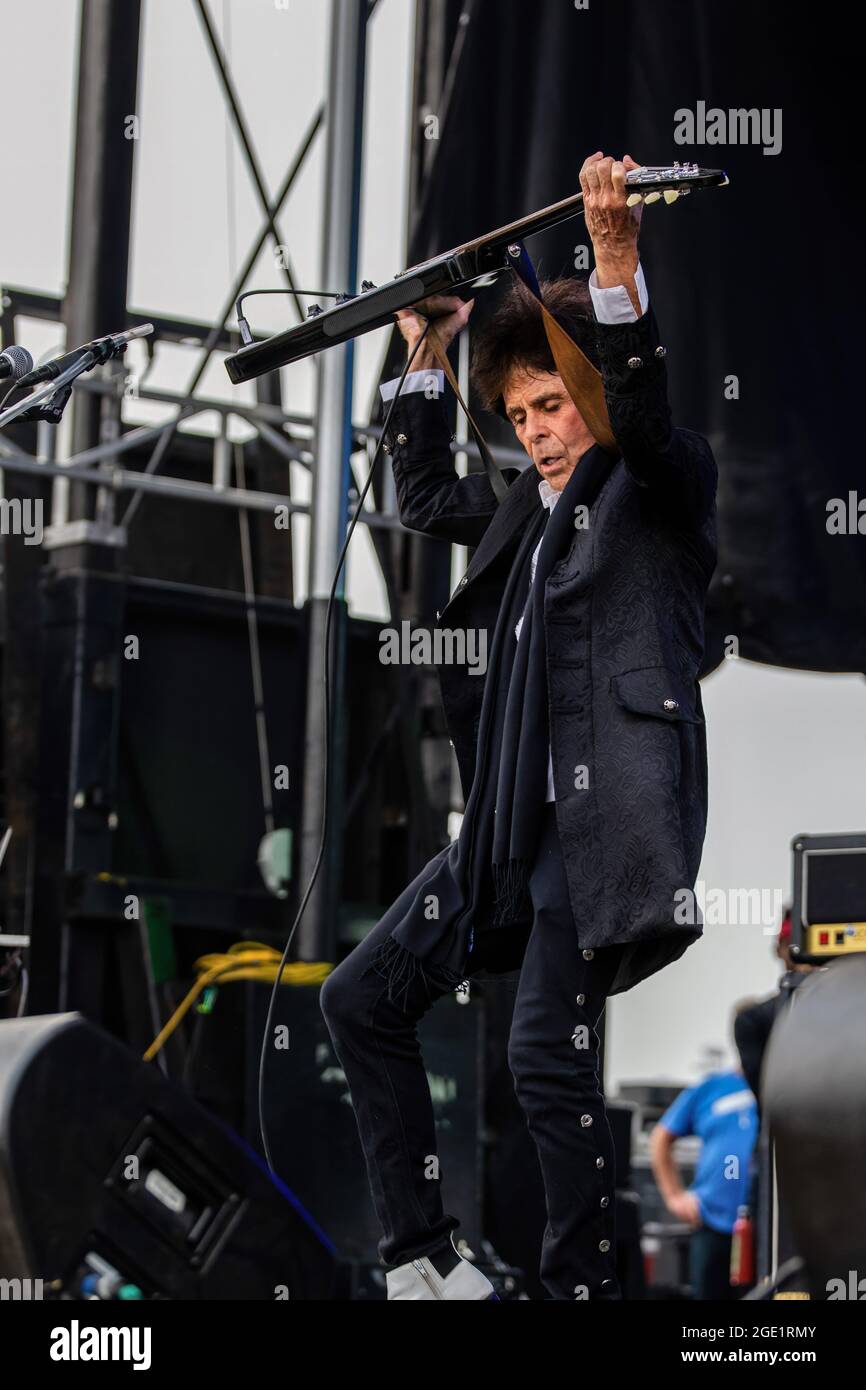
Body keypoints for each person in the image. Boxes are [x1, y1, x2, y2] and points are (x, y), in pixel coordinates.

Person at [320, 152, 718, 1300]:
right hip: (496, 830)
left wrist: (614, 269)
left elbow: (638, 415)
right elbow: (427, 495)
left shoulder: (655, 491)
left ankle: (575, 1289)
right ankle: (419, 1257)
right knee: (359, 1001)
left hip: (589, 833)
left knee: (546, 1059)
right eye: (520, 414)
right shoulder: (522, 515)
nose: (540, 431)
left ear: (583, 392)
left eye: (552, 405)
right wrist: (423, 356)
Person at [650, 1045, 759, 1300]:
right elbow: (660, 1138)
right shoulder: (712, 1087)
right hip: (712, 1222)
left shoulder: (776, 1087)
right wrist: (674, 1196)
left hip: (766, 1230)